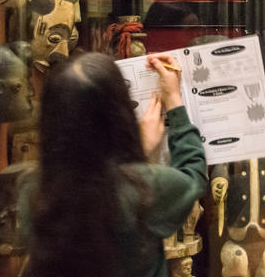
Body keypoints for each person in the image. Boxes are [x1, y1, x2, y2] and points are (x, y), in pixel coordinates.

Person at [19, 52, 208, 277]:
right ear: (117, 114)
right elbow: (194, 177)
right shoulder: (145, 188)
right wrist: (174, 101)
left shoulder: (33, 192)